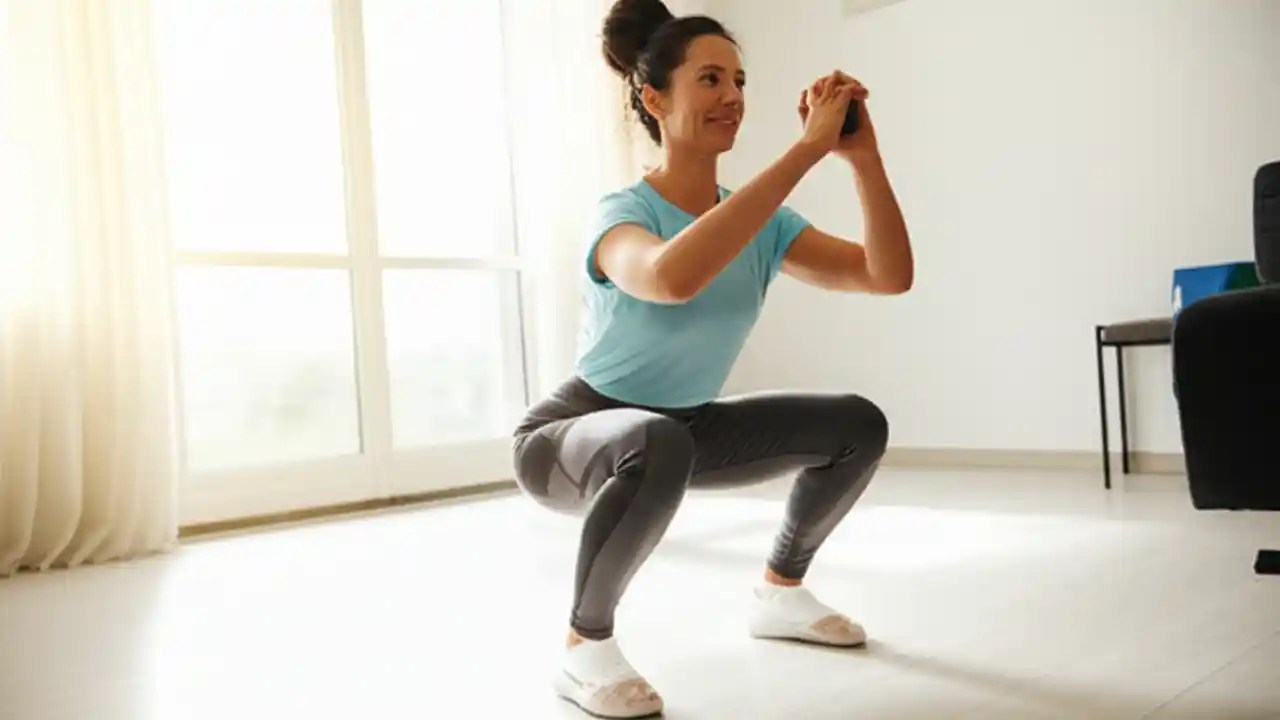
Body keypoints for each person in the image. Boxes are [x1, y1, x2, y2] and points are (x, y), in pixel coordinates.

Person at [510, 0, 913, 716]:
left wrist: (862, 159)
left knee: (858, 424)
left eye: (739, 79)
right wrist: (802, 153)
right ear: (654, 97)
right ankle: (584, 647)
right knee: (657, 438)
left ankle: (780, 594)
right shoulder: (623, 214)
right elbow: (670, 278)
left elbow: (887, 274)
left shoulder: (766, 224)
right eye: (709, 79)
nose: (732, 96)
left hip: (684, 430)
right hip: (571, 436)